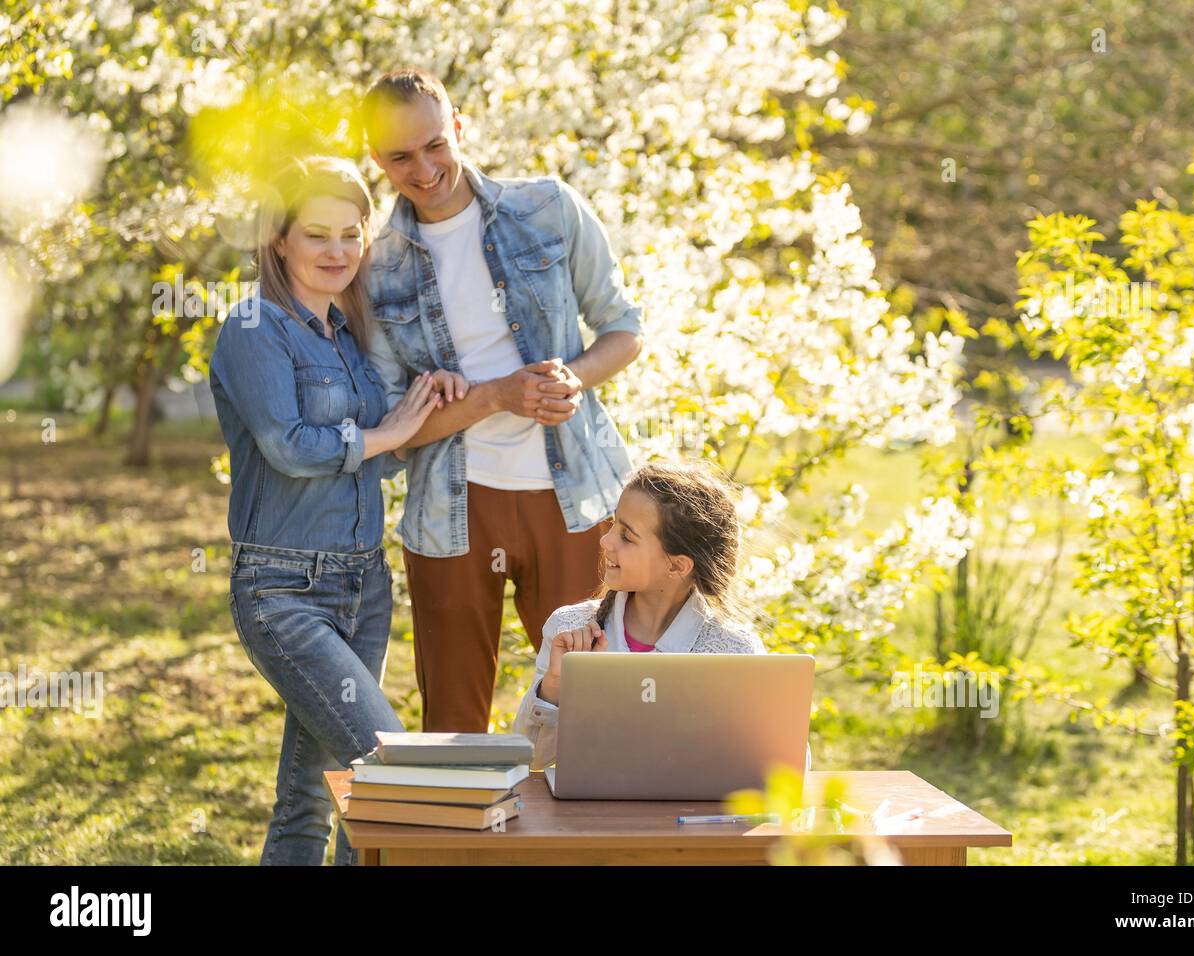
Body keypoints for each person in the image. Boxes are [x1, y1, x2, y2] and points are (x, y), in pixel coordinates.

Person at [358, 67, 644, 733]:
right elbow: (392, 429)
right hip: (450, 513)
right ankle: (466, 840)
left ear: (458, 128)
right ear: (377, 162)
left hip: (574, 500)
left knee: (594, 706)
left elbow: (624, 329)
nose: (424, 170)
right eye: (400, 157)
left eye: (434, 145)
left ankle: (589, 840)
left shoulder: (548, 208)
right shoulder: (376, 266)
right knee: (454, 721)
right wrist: (493, 396)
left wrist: (575, 377)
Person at [209, 155, 466, 865]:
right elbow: (288, 446)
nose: (337, 252)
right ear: (279, 239)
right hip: (283, 591)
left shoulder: (352, 341)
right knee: (388, 776)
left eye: (350, 234)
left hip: (363, 587)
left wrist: (426, 396)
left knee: (311, 797)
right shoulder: (254, 327)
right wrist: (385, 432)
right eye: (317, 234)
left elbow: (375, 453)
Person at [512, 460, 790, 772]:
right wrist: (555, 687)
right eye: (614, 524)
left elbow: (783, 769)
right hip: (589, 819)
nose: (605, 541)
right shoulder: (569, 628)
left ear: (676, 566)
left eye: (627, 536)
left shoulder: (735, 650)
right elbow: (529, 759)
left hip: (693, 819)